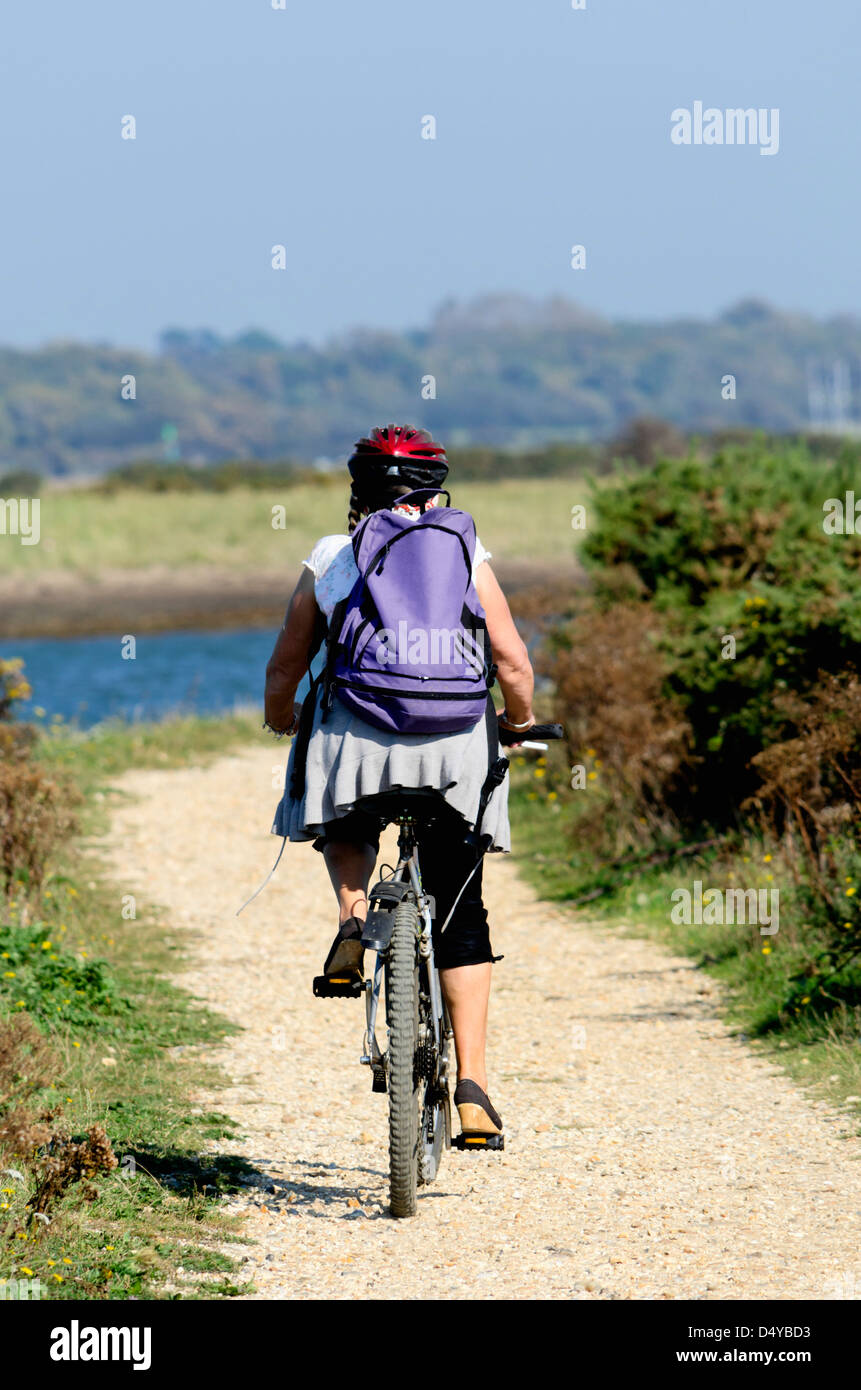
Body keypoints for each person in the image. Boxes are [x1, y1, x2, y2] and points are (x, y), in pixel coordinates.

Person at [264, 425, 536, 1139]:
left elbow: (288, 659)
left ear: (357, 492)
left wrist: (280, 713)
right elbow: (509, 658)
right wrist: (519, 720)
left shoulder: (331, 555)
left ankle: (354, 916)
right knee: (460, 908)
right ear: (437, 488)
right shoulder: (464, 552)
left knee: (345, 812)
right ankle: (472, 1088)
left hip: (360, 746)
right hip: (452, 758)